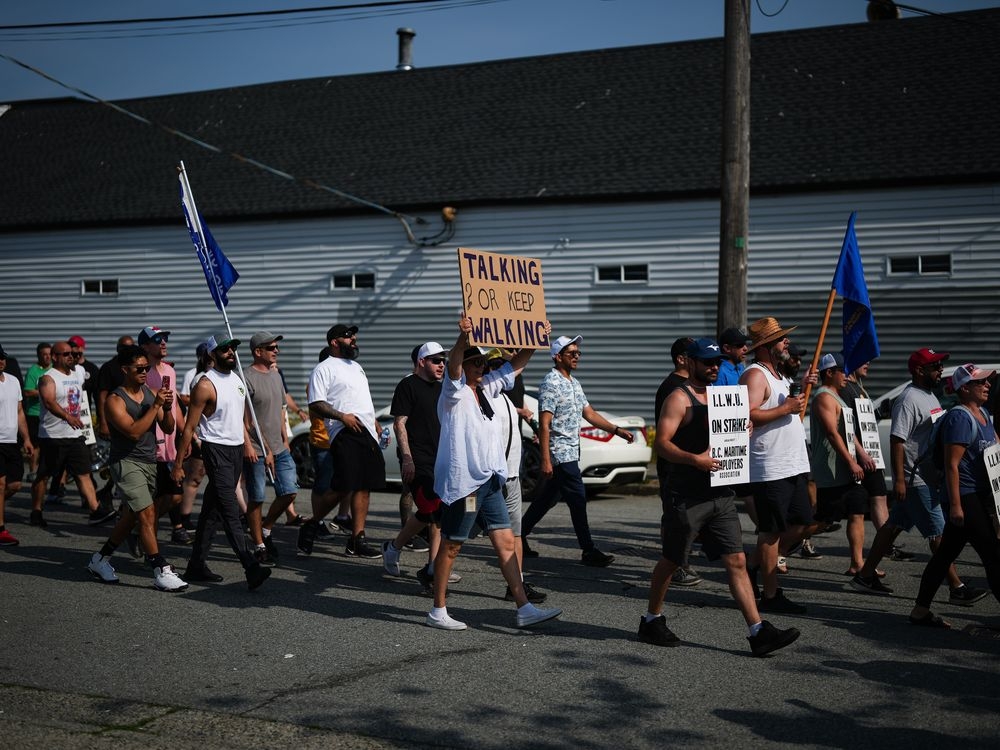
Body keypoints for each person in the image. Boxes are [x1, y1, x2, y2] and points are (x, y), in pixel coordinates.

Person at [638, 337, 800, 656]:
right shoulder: (679, 398)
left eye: (717, 363)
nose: (714, 368)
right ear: (691, 363)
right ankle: (651, 619)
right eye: (708, 363)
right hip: (686, 494)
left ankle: (758, 632)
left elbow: (731, 431)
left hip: (721, 491)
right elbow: (662, 444)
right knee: (672, 560)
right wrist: (695, 459)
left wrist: (744, 430)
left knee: (737, 560)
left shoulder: (724, 397)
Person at [425, 317, 561, 631]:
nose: (483, 367)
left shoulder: (487, 387)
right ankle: (438, 609)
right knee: (452, 544)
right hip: (466, 486)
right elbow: (456, 362)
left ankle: (524, 608)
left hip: (489, 481)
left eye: (484, 363)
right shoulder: (453, 391)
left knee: (506, 543)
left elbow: (516, 365)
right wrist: (462, 337)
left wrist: (535, 340)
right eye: (478, 362)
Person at [851, 348, 988, 605]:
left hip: (925, 475)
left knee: (893, 526)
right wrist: (901, 481)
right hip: (915, 478)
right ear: (919, 371)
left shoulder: (929, 396)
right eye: (935, 366)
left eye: (939, 366)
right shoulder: (909, 399)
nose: (939, 370)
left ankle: (865, 576)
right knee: (938, 535)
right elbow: (897, 440)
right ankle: (956, 587)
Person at [521, 334, 634, 567]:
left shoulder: (574, 382)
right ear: (557, 356)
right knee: (578, 499)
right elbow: (544, 424)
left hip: (572, 451)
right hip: (560, 453)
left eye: (578, 353)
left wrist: (616, 430)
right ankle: (588, 549)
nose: (576, 357)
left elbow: (589, 414)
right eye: (571, 353)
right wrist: (545, 459)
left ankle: (519, 535)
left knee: (546, 499)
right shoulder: (551, 383)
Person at [171, 333, 271, 591]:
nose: (231, 352)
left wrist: (250, 443)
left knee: (212, 512)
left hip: (236, 449)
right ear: (212, 354)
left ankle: (196, 565)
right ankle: (250, 565)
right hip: (215, 450)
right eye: (225, 349)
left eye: (233, 348)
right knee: (229, 510)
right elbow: (189, 427)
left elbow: (240, 419)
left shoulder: (236, 380)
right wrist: (178, 464)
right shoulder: (205, 384)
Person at [85, 345, 187, 591]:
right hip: (126, 462)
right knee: (147, 513)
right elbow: (132, 432)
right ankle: (160, 568)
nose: (144, 372)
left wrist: (166, 408)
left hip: (149, 461)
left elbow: (169, 427)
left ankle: (100, 559)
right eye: (139, 368)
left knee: (132, 516)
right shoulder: (115, 400)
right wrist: (155, 407)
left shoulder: (151, 393)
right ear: (125, 370)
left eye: (146, 368)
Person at [908, 364, 1000, 627]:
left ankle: (920, 610)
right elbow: (952, 465)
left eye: (987, 381)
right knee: (993, 554)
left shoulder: (983, 412)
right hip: (965, 496)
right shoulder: (959, 418)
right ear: (964, 388)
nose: (987, 385)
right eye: (980, 382)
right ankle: (920, 610)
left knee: (945, 554)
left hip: (980, 494)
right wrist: (956, 506)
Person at [740, 317, 814, 614]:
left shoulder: (780, 376)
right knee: (770, 531)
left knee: (801, 522)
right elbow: (745, 415)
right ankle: (770, 596)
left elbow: (790, 416)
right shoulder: (755, 375)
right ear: (767, 346)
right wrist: (786, 408)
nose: (787, 343)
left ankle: (752, 566)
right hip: (769, 465)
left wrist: (800, 397)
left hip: (792, 463)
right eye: (782, 339)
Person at [301, 324, 385, 558]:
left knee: (364, 484)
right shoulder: (323, 368)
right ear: (334, 342)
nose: (354, 339)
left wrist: (374, 421)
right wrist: (342, 417)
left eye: (353, 335)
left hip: (366, 430)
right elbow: (316, 403)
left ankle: (357, 539)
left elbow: (360, 399)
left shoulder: (356, 367)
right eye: (348, 336)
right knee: (345, 485)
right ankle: (314, 522)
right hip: (343, 430)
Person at [382, 341, 447, 587]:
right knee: (432, 511)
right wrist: (407, 457)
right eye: (436, 360)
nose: (441, 365)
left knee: (436, 512)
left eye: (443, 361)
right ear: (422, 361)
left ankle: (428, 564)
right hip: (417, 458)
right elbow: (400, 423)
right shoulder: (407, 385)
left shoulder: (442, 389)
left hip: (440, 458)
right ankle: (429, 567)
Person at [30, 341, 114, 528]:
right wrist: (68, 416)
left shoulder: (78, 373)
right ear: (55, 357)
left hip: (75, 435)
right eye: (66, 354)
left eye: (74, 354)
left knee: (83, 473)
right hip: (53, 436)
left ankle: (95, 510)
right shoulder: (48, 378)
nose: (72, 357)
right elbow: (49, 402)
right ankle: (36, 510)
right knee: (44, 476)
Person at [808, 353, 874, 576]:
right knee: (823, 521)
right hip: (832, 469)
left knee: (857, 511)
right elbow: (832, 433)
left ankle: (857, 563)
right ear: (829, 373)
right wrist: (850, 461)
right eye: (843, 371)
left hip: (848, 468)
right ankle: (779, 547)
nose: (847, 376)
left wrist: (862, 455)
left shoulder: (839, 397)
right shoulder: (824, 397)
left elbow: (848, 431)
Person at [840, 360, 913, 562]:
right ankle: (858, 561)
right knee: (854, 511)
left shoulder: (859, 388)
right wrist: (860, 453)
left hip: (871, 456)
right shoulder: (845, 389)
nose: (868, 362)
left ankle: (886, 545)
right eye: (863, 359)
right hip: (857, 457)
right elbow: (846, 426)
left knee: (880, 496)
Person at [242, 331, 300, 566]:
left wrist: (284, 440)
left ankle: (266, 528)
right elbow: (246, 421)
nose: (276, 350)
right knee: (257, 497)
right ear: (258, 352)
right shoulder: (245, 377)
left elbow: (279, 411)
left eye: (277, 347)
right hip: (256, 449)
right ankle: (259, 545)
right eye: (271, 347)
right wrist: (262, 449)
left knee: (289, 491)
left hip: (279, 446)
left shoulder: (276, 375)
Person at [652, 336, 703, 587]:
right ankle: (677, 566)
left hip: (693, 464)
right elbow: (667, 435)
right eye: (693, 355)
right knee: (674, 519)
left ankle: (680, 561)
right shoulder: (673, 388)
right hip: (674, 465)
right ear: (682, 359)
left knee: (687, 518)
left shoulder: (693, 386)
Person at [138, 326, 188, 544]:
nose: (163, 343)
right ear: (145, 346)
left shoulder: (169, 370)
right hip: (150, 440)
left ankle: (139, 527)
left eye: (165, 339)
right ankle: (151, 547)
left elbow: (174, 404)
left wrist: (186, 434)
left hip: (170, 440)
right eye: (157, 340)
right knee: (156, 499)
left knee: (175, 497)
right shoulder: (142, 372)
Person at [0, 343, 34, 546]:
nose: (1, 361)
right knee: (1, 484)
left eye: (2, 357)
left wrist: (27, 439)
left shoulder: (13, 381)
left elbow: (20, 411)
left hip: (12, 441)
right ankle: (1, 529)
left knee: (15, 485)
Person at [22, 342, 51, 479]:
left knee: (49, 444)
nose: (47, 357)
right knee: (35, 444)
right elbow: (27, 391)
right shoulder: (33, 371)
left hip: (51, 413)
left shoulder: (53, 369)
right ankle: (33, 471)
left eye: (49, 354)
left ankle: (47, 470)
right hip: (34, 413)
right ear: (38, 355)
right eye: (44, 354)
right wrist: (44, 393)